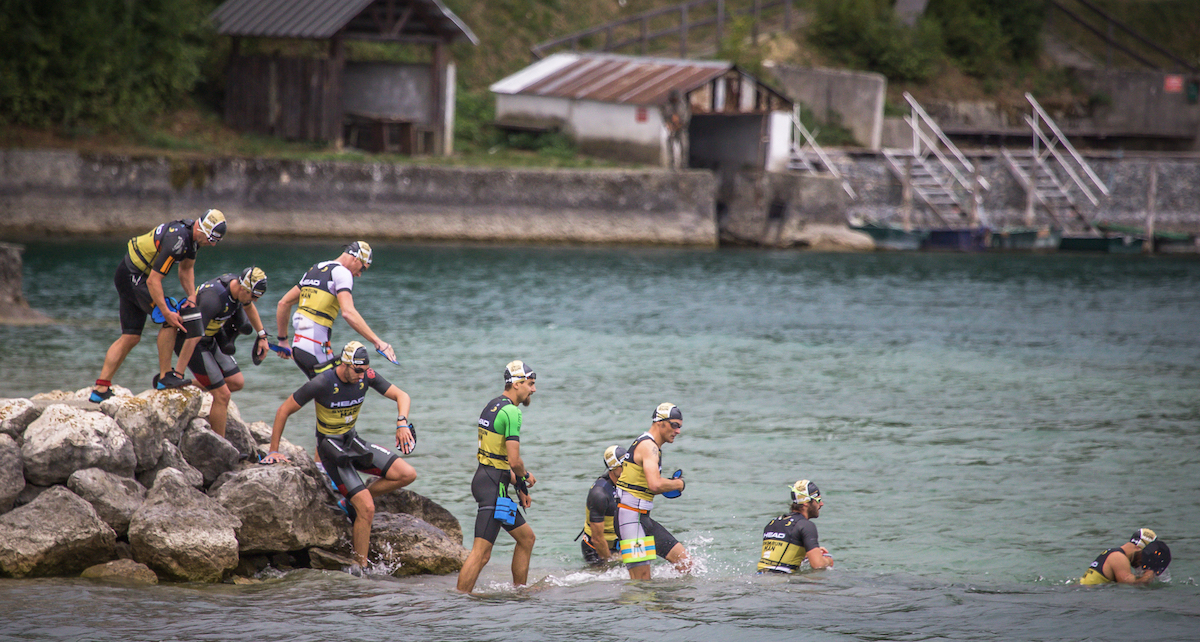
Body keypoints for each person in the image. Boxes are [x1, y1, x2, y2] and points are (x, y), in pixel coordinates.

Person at [261, 341, 417, 568]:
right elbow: (283, 410)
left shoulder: (366, 375)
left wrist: (402, 422)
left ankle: (350, 501)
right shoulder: (322, 383)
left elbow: (402, 395)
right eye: (357, 371)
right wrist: (273, 451)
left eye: (364, 371)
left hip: (352, 441)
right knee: (368, 508)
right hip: (330, 448)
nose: (361, 376)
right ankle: (360, 568)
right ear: (345, 364)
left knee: (407, 474)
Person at [89, 210, 226, 402]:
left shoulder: (192, 239)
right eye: (211, 238)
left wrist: (192, 297)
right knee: (171, 318)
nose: (211, 244)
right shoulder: (177, 241)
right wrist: (166, 312)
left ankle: (100, 389)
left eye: (216, 241)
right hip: (133, 276)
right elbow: (154, 281)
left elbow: (186, 269)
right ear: (201, 228)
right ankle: (165, 377)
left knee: (130, 337)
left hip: (130, 273)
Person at [456, 361, 538, 593]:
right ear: (517, 383)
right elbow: (514, 461)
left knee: (526, 538)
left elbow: (496, 459)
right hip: (493, 488)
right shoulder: (512, 412)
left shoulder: (491, 405)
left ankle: (519, 593)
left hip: (489, 481)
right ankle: (458, 601)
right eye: (530, 384)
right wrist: (524, 476)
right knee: (481, 554)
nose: (533, 390)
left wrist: (520, 485)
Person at [172, 267, 274, 438]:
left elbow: (248, 307)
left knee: (236, 382)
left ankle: (188, 385)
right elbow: (192, 337)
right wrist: (178, 373)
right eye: (254, 296)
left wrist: (262, 335)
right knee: (222, 395)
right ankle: (220, 445)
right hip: (191, 341)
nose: (255, 301)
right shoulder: (214, 299)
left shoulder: (238, 289)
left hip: (209, 338)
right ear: (244, 288)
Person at [275, 241, 397, 379]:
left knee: (327, 396)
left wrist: (283, 340)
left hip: (299, 349)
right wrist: (378, 342)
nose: (359, 275)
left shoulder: (315, 269)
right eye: (362, 269)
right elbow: (348, 312)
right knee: (343, 390)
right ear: (355, 258)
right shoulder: (342, 273)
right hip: (316, 349)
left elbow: (283, 303)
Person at [614, 402, 690, 580]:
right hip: (630, 520)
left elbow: (646, 486)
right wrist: (678, 485)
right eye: (675, 425)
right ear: (660, 422)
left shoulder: (651, 446)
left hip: (642, 518)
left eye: (680, 426)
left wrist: (668, 483)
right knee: (641, 583)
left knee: (685, 563)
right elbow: (654, 485)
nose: (678, 430)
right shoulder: (650, 447)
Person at [757, 479, 833, 573]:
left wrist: (808, 553)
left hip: (759, 578)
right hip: (780, 584)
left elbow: (778, 560)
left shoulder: (772, 523)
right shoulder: (806, 526)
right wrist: (828, 559)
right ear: (806, 502)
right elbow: (818, 565)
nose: (821, 504)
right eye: (818, 500)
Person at [580, 445, 625, 566]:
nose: (628, 469)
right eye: (623, 466)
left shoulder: (629, 483)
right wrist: (610, 561)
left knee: (643, 576)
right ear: (613, 467)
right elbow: (597, 538)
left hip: (623, 544)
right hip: (597, 548)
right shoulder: (600, 494)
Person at [1079, 528, 1167, 585]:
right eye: (1146, 556)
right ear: (1138, 548)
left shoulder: (1113, 553)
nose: (1145, 561)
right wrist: (1149, 573)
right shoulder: (1118, 558)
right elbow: (1131, 585)